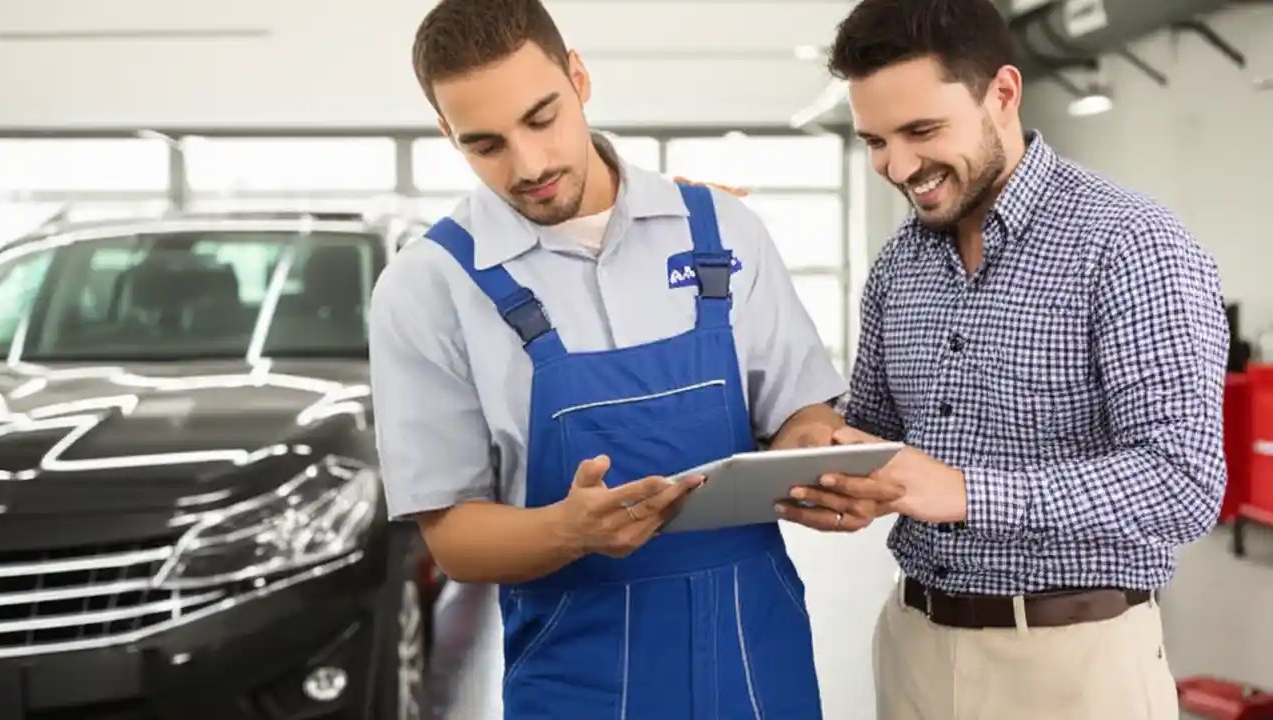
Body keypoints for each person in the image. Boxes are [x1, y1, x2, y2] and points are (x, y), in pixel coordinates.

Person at [368, 0, 852, 717]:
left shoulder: (723, 232)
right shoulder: (428, 287)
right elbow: (454, 539)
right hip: (579, 679)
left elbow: (798, 411)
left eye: (541, 118)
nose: (528, 164)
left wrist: (822, 455)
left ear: (579, 78)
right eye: (486, 144)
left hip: (759, 657)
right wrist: (568, 532)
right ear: (447, 134)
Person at [774, 1, 1229, 718]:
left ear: (1004, 94)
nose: (898, 166)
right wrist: (819, 455)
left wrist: (964, 492)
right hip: (914, 645)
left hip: (1077, 666)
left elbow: (1183, 482)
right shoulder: (901, 263)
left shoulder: (1131, 244)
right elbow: (875, 432)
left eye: (922, 130)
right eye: (875, 141)